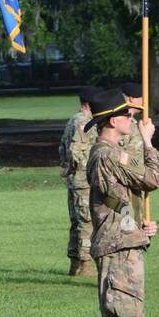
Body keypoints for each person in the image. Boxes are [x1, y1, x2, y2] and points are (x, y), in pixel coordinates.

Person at [86, 90, 159, 317]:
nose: (133, 121)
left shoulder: (108, 153)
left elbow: (118, 202)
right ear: (114, 120)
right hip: (117, 247)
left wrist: (139, 228)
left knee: (129, 313)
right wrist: (148, 143)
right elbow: (154, 178)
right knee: (124, 314)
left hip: (123, 240)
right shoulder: (107, 154)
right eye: (129, 117)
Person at [60, 86, 101, 277]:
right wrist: (87, 170)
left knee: (76, 222)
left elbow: (62, 147)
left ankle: (74, 263)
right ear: (88, 103)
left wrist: (66, 167)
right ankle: (85, 265)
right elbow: (77, 151)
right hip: (84, 180)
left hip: (74, 180)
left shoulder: (73, 119)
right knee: (86, 222)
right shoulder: (85, 122)